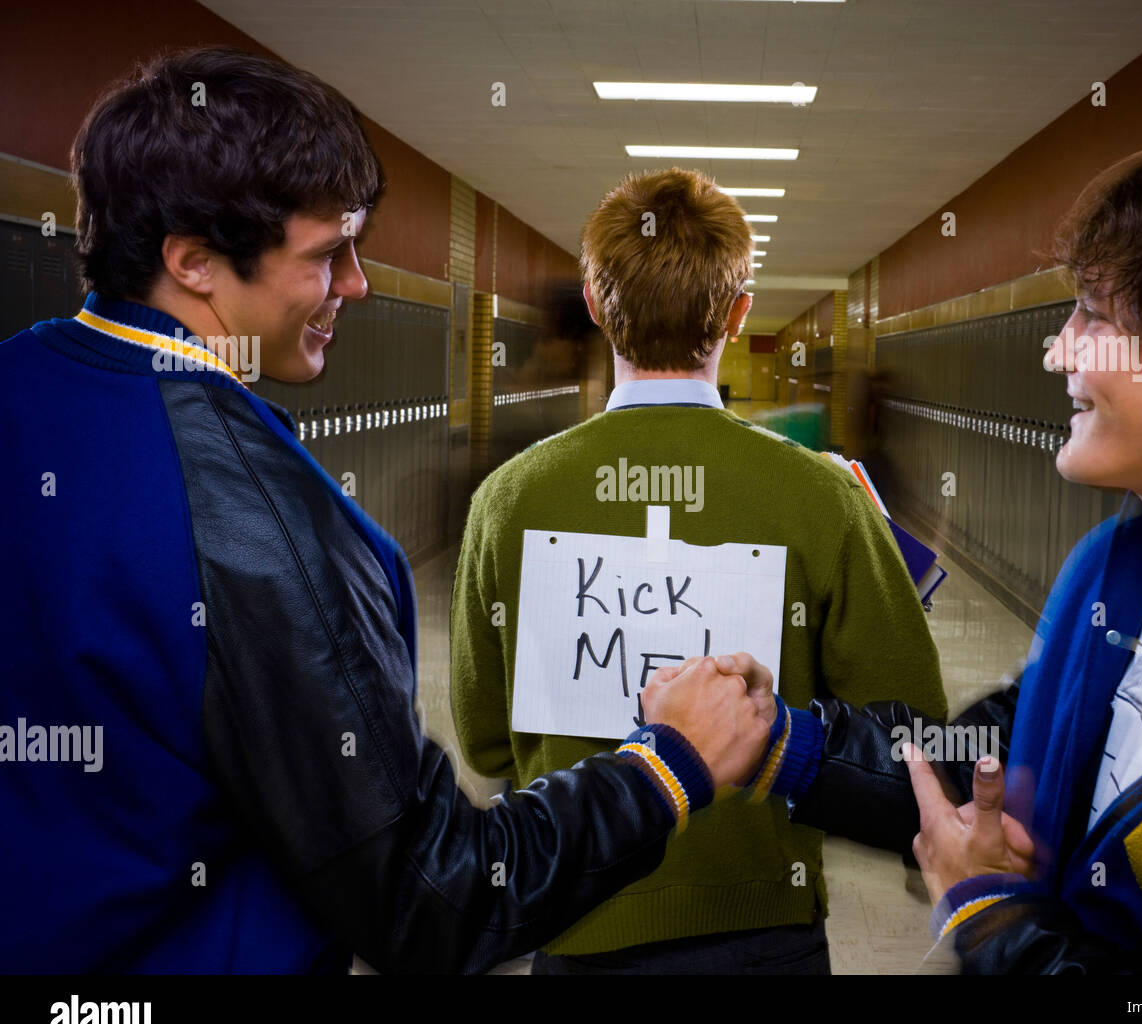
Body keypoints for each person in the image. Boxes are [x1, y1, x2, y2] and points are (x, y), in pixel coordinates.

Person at [0, 46, 789, 975]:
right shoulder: (256, 520)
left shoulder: (24, 381)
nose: (359, 285)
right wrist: (668, 766)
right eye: (328, 254)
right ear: (194, 261)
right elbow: (434, 895)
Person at [759, 143, 1142, 974]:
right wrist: (778, 738)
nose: (1057, 351)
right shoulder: (1119, 574)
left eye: (1093, 313)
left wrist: (985, 917)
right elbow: (994, 754)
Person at [451, 167, 948, 973]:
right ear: (739, 310)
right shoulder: (822, 495)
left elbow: (484, 736)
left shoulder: (508, 499)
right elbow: (913, 732)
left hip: (579, 920)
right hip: (764, 928)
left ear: (592, 301)